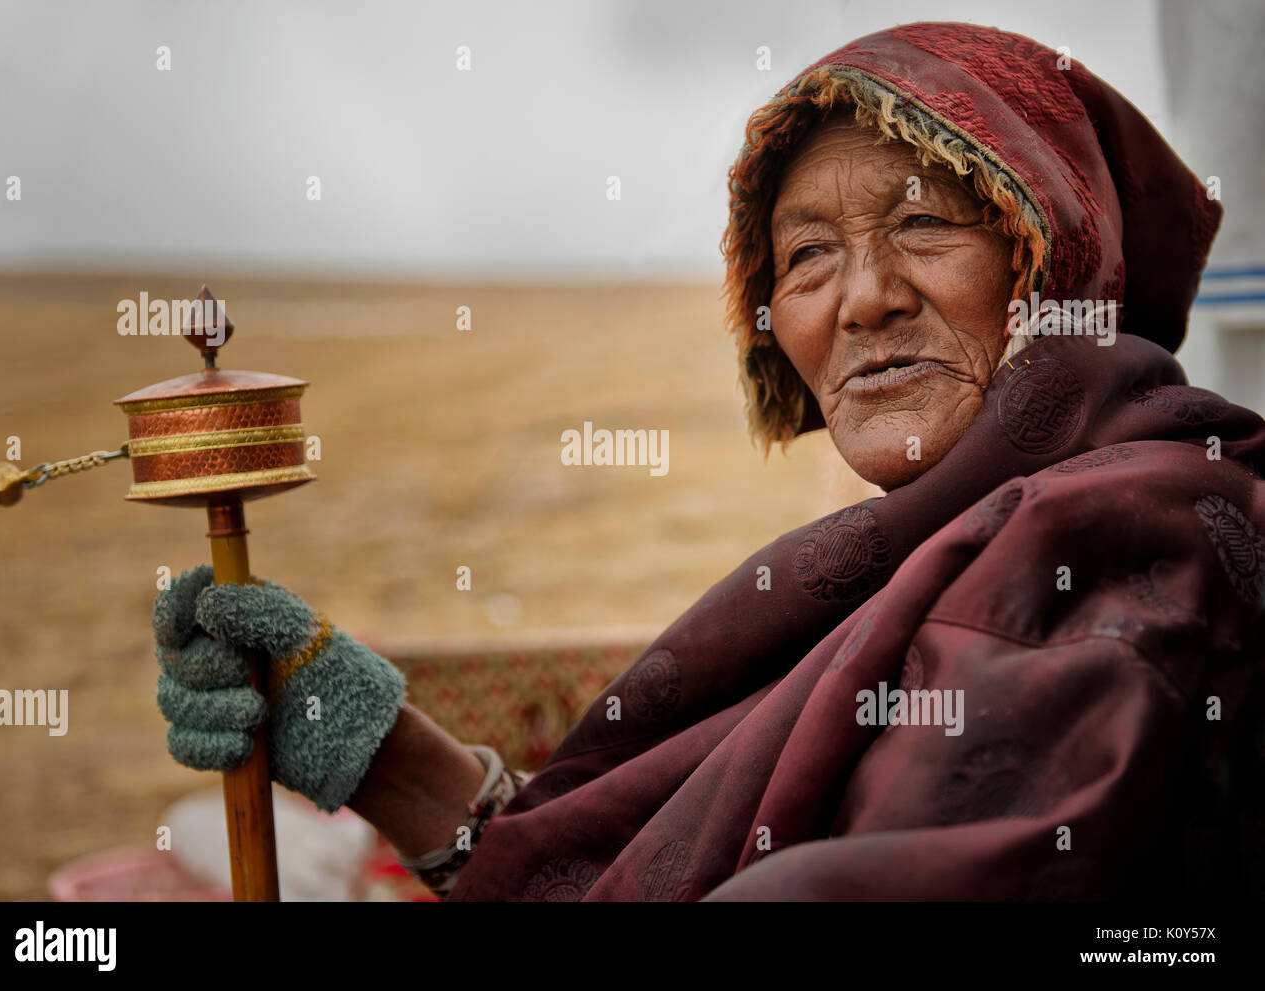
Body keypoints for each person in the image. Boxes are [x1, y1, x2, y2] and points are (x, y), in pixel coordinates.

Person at [153, 22, 1265, 901]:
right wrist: (380, 751)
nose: (864, 297)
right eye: (808, 255)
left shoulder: (1118, 539)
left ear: (1055, 252)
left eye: (925, 225)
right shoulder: (948, 540)